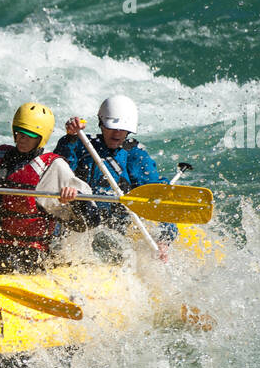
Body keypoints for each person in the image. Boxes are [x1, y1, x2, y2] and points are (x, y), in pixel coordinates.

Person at [0, 102, 93, 275]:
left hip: (28, 255)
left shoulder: (52, 167)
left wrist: (76, 200)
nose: (22, 139)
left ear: (42, 137)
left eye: (30, 136)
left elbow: (89, 222)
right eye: (19, 133)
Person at [53, 95, 178, 257]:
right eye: (112, 127)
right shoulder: (81, 144)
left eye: (122, 128)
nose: (117, 132)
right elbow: (59, 168)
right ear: (101, 124)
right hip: (81, 221)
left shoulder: (135, 154)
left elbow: (156, 195)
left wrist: (164, 238)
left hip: (117, 231)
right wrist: (70, 137)